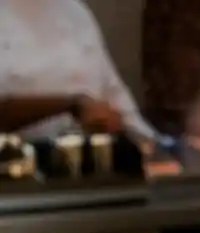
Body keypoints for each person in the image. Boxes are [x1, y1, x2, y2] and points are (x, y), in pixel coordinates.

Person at [0, 0, 155, 139]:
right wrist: (71, 106)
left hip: (90, 159)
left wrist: (149, 142)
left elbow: (113, 92)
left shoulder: (75, 10)